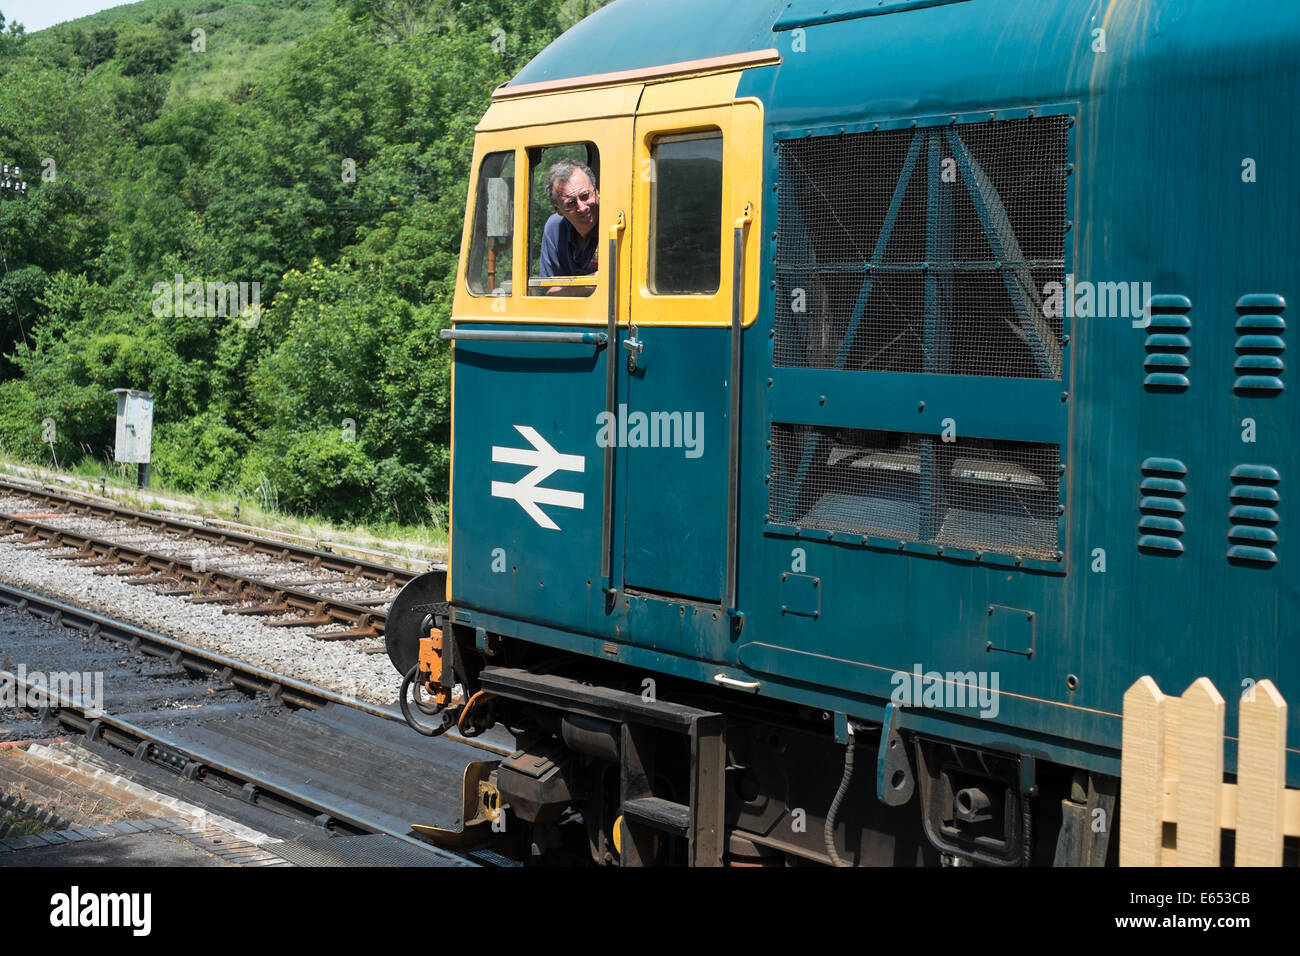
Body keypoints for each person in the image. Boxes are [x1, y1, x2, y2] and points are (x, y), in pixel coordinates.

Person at [539, 160, 599, 296]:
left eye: (585, 196)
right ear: (558, 209)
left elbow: (620, 281)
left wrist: (568, 288)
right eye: (571, 203)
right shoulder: (554, 228)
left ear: (596, 191)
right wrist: (595, 280)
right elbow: (549, 290)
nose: (582, 207)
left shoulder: (615, 220)